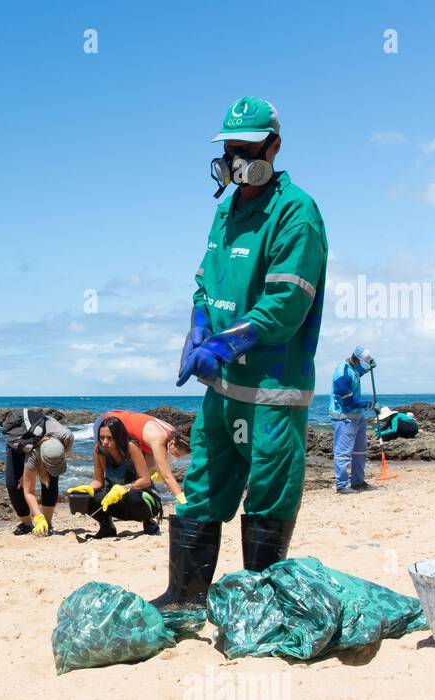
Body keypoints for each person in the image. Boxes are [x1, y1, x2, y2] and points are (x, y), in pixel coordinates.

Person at [158, 96, 327, 608]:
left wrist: (224, 346)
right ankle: (185, 598)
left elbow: (287, 304)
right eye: (231, 148)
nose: (237, 159)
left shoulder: (296, 211)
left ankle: (261, 604)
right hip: (222, 391)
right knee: (204, 483)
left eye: (248, 148)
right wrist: (199, 322)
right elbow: (204, 282)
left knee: (269, 494)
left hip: (273, 390)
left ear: (274, 145)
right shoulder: (227, 208)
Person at [69, 416, 162, 538]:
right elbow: (98, 481)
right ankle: (107, 527)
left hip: (141, 499)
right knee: (84, 497)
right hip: (114, 499)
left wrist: (125, 487)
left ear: (119, 437)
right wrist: (87, 489)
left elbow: (145, 481)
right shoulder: (99, 450)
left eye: (109, 438)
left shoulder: (131, 447)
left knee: (132, 494)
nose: (105, 442)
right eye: (101, 438)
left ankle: (149, 522)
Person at [91, 409, 191, 503]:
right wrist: (182, 499)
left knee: (144, 474)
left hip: (129, 426)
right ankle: (107, 498)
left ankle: (141, 499)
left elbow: (149, 470)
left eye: (179, 457)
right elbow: (167, 476)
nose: (176, 457)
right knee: (112, 472)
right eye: (176, 454)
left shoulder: (174, 434)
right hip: (107, 423)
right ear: (172, 443)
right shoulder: (158, 439)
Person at [2, 409, 74, 537]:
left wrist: (51, 465)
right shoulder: (33, 455)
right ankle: (27, 524)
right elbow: (28, 492)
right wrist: (38, 517)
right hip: (19, 438)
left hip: (44, 441)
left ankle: (48, 524)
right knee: (14, 484)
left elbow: (64, 453)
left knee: (51, 479)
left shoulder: (66, 436)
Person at [330, 346, 376, 494]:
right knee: (343, 452)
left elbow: (358, 373)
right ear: (356, 359)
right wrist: (369, 405)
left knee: (360, 451)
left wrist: (369, 368)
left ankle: (357, 481)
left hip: (357, 416)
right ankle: (342, 485)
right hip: (344, 417)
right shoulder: (342, 374)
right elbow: (349, 402)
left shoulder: (354, 367)